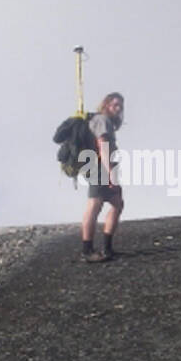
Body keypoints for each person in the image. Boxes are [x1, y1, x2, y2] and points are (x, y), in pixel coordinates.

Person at [81, 92, 124, 262]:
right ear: (106, 105)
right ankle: (87, 250)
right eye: (115, 105)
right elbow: (103, 148)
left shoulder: (107, 122)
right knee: (95, 205)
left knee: (117, 203)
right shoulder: (102, 120)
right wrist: (110, 174)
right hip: (99, 166)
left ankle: (107, 248)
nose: (118, 108)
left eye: (120, 106)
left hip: (103, 166)